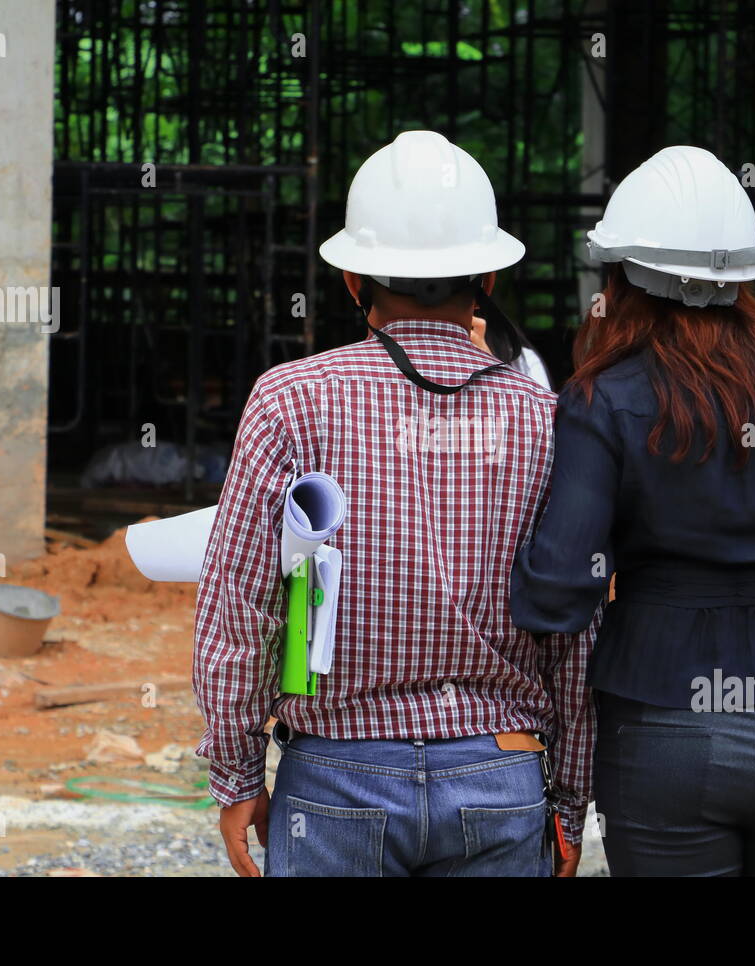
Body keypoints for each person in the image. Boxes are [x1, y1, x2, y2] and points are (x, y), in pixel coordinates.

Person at [193, 130, 595, 877]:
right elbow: (577, 628)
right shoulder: (549, 419)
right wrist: (570, 799)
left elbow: (241, 610)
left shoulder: (290, 403)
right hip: (500, 777)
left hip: (335, 780)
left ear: (352, 278)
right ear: (488, 278)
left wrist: (238, 773)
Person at [510, 145, 755, 876]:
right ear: (744, 277)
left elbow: (560, 592)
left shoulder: (603, 403)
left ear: (620, 279)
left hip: (664, 724)